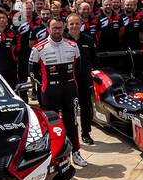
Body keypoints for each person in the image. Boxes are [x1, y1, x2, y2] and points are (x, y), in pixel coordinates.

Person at [29, 18, 88, 168]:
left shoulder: (73, 45)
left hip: (70, 90)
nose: (57, 31)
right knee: (51, 125)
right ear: (48, 28)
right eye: (54, 28)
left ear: (63, 28)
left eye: (60, 28)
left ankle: (76, 153)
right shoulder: (38, 48)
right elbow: (31, 71)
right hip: (50, 91)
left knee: (73, 122)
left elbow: (79, 69)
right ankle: (54, 156)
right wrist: (43, 84)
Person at [66, 14, 97, 146]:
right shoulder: (62, 39)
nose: (74, 26)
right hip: (68, 80)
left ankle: (86, 133)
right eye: (71, 24)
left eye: (77, 23)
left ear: (81, 24)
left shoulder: (88, 40)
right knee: (68, 109)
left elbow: (94, 60)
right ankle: (69, 134)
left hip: (84, 79)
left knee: (86, 107)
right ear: (67, 25)